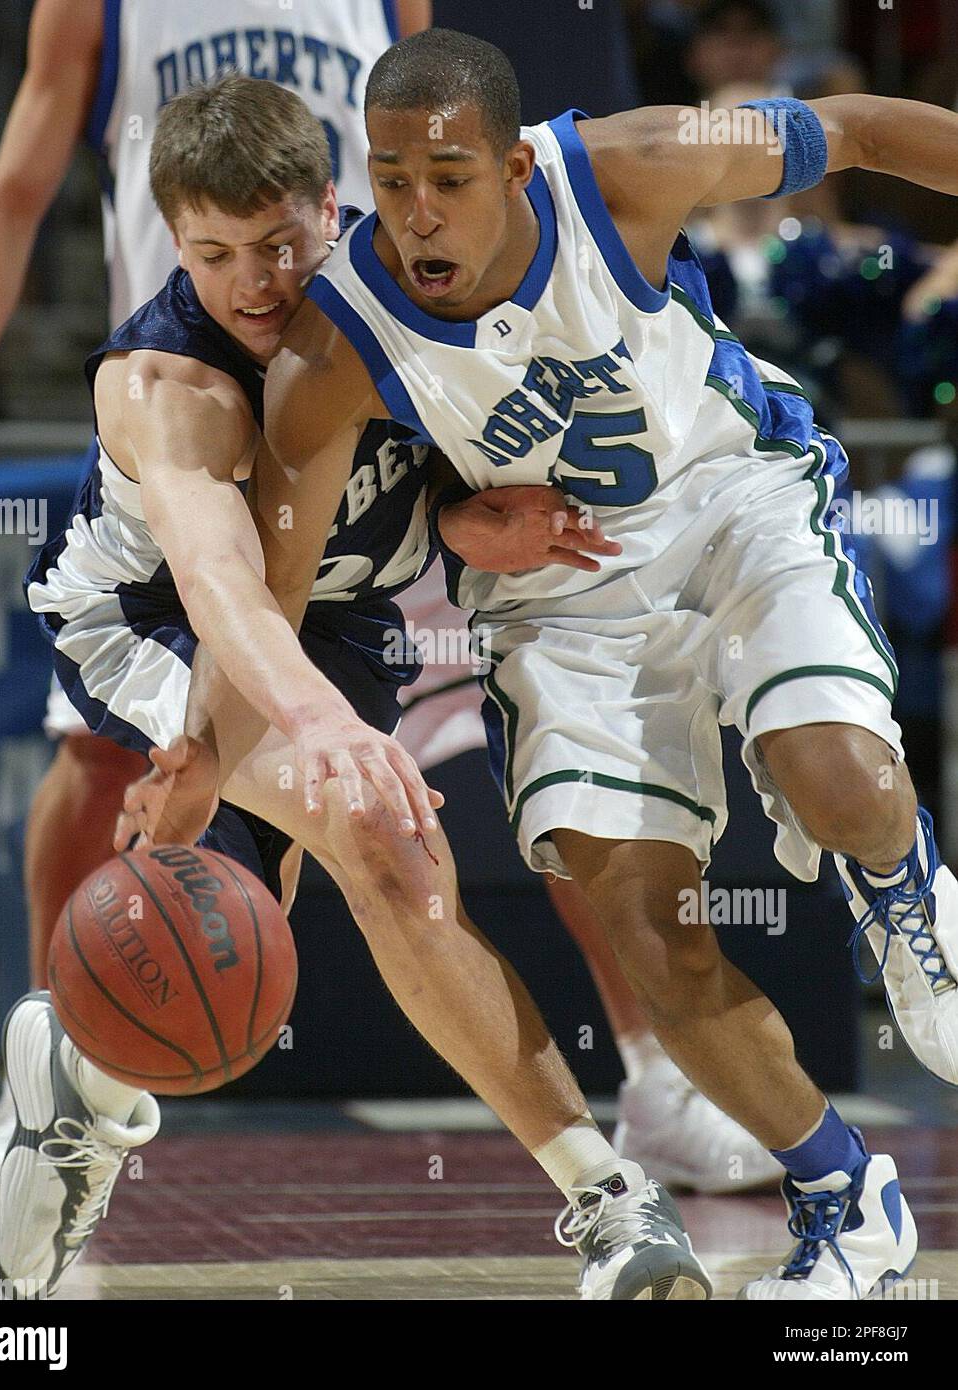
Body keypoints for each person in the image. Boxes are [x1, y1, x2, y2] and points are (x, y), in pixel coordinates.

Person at [0, 0, 776, 1198]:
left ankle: (76, 1095)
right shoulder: (172, 362)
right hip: (154, 595)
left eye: (277, 245)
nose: (255, 281)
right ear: (174, 238)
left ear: (333, 208)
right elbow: (220, 578)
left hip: (345, 580)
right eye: (215, 252)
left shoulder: (387, 271)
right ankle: (600, 1199)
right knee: (336, 826)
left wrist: (466, 514)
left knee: (350, 839)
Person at [217, 28, 958, 1299]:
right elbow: (273, 611)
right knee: (644, 929)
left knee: (834, 777)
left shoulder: (634, 167)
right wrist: (258, 837)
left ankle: (902, 895)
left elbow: (864, 131)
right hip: (557, 599)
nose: (415, 212)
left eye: (446, 176)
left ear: (512, 167)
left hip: (731, 498)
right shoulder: (332, 352)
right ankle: (848, 1201)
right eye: (389, 179)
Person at [0, 0, 431, 1190]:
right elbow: (12, 193)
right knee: (106, 761)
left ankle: (647, 1072)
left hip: (330, 402)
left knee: (294, 834)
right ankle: (49, 1054)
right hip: (179, 424)